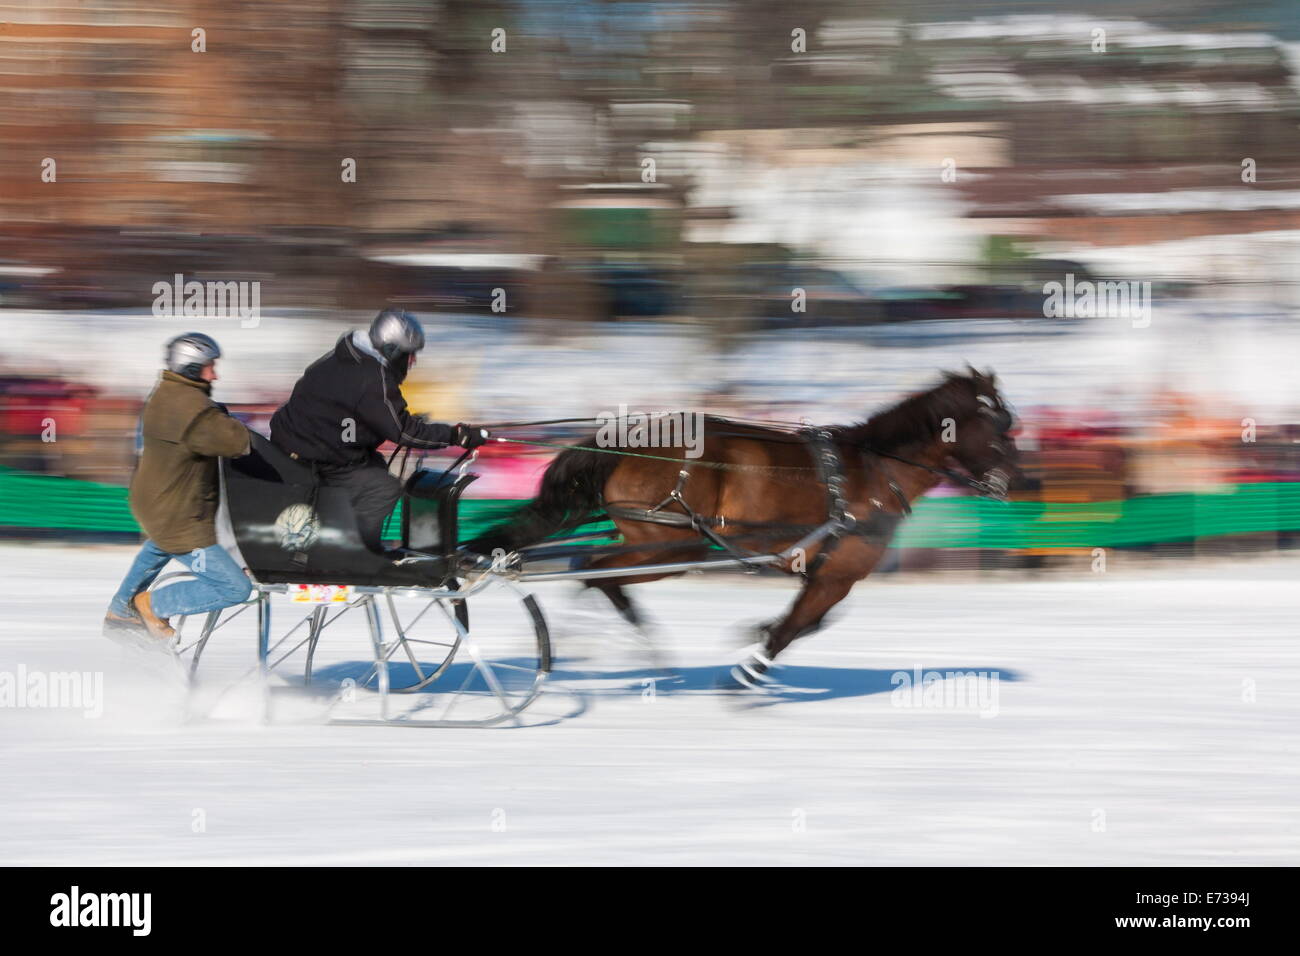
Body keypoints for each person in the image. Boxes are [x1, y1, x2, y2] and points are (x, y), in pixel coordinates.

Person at [269, 309, 488, 553]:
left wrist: (406, 424)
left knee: (374, 464)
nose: (412, 362)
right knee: (383, 488)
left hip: (298, 449)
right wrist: (456, 435)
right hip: (314, 461)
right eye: (410, 355)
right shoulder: (373, 376)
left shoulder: (345, 356)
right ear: (393, 351)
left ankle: (345, 540)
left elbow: (357, 411)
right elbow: (403, 432)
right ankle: (354, 553)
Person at [104, 333, 254, 647]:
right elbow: (235, 441)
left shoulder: (168, 392)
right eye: (210, 367)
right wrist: (229, 420)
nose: (215, 374)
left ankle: (120, 610)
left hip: (157, 502)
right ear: (190, 369)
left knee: (160, 544)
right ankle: (153, 606)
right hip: (177, 513)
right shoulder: (191, 407)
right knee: (235, 588)